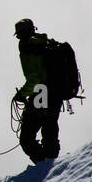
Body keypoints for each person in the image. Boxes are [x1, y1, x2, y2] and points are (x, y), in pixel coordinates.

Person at [13, 18, 62, 164]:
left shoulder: (28, 47)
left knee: (27, 138)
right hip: (55, 90)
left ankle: (43, 166)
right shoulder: (44, 43)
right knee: (49, 128)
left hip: (42, 91)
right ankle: (51, 164)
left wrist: (22, 93)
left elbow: (35, 78)